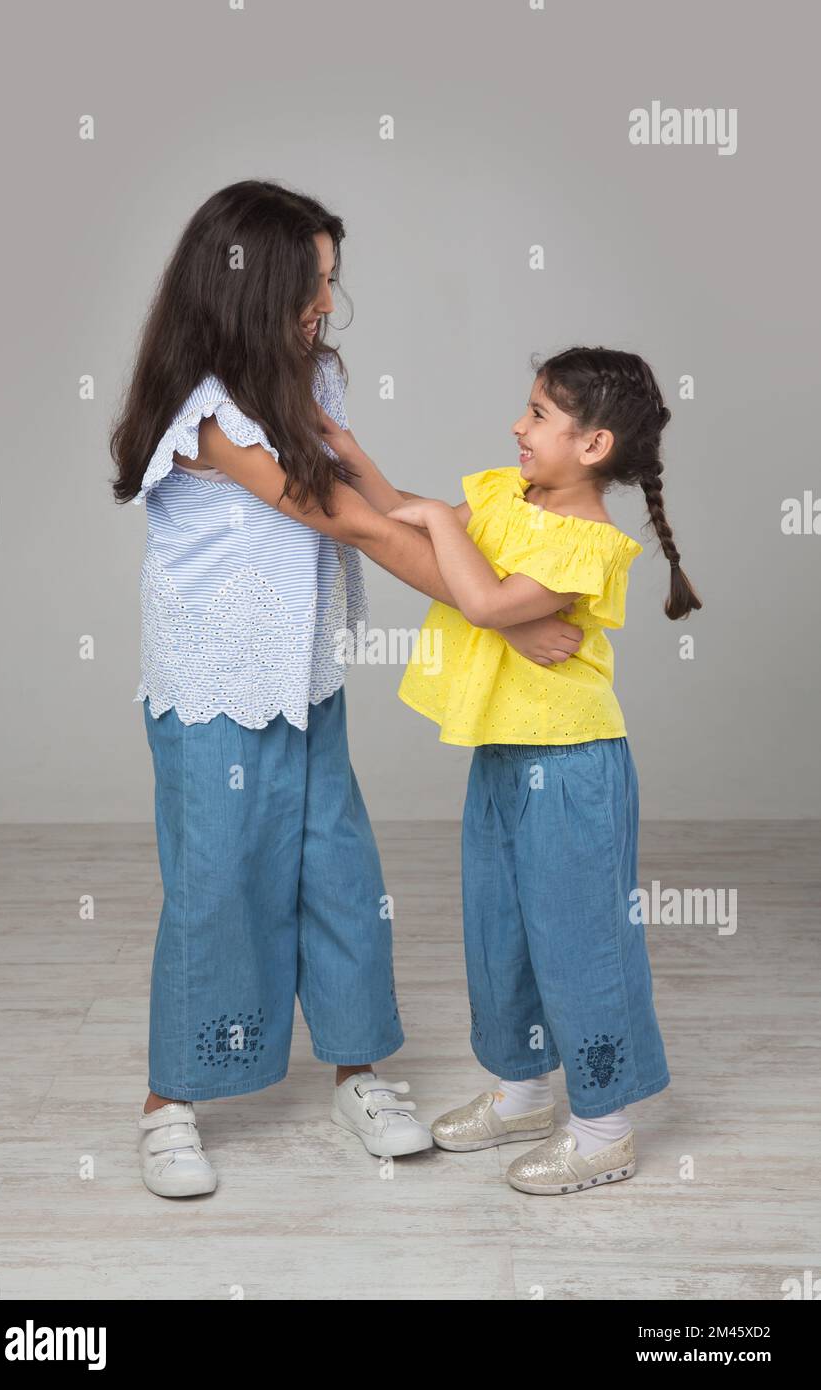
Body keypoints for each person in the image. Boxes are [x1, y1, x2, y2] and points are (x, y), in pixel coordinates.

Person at [110, 179, 583, 1196]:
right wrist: (502, 612)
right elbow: (353, 524)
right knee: (217, 881)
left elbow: (394, 511)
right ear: (250, 286)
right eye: (313, 282)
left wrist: (497, 590)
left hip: (304, 671)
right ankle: (170, 1099)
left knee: (338, 871)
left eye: (330, 280)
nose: (327, 301)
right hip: (214, 685)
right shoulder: (204, 412)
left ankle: (357, 1072)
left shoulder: (307, 380)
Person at [342, 345, 701, 1195]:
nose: (517, 423)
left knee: (581, 944)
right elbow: (400, 511)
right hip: (504, 754)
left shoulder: (593, 544)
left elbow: (486, 599)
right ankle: (523, 1093)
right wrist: (344, 448)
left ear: (594, 445)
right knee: (499, 933)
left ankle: (604, 1128)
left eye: (539, 413)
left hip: (573, 764)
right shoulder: (509, 494)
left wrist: (435, 521)